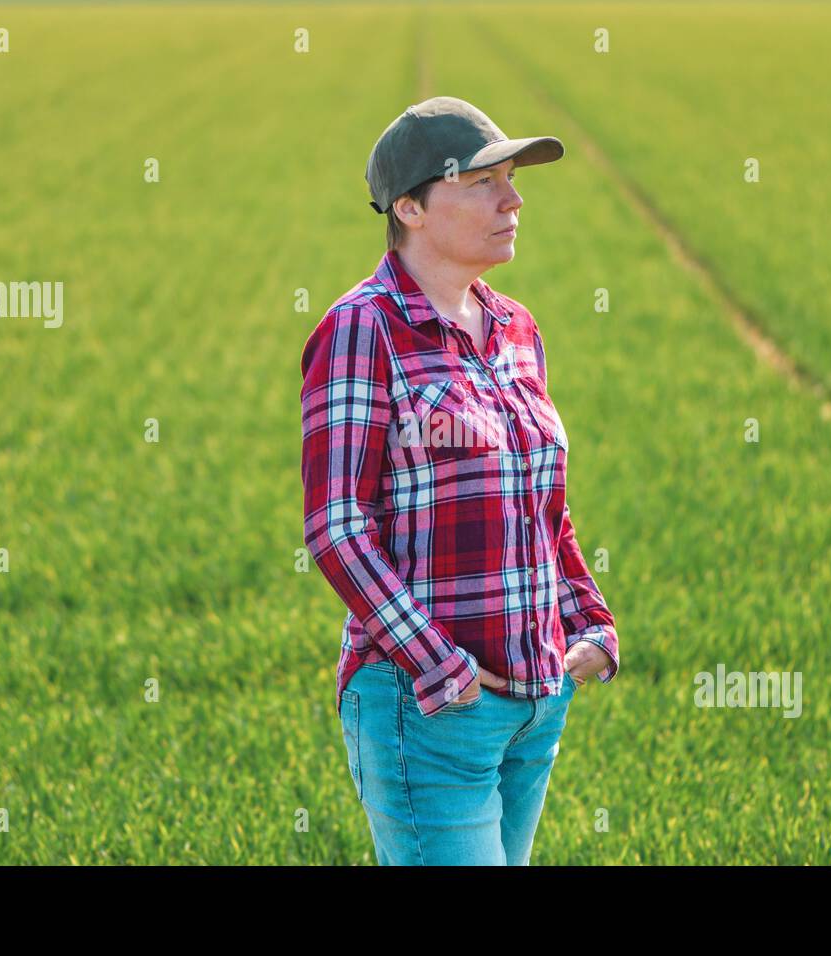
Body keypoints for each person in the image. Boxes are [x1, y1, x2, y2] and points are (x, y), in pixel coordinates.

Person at [299, 96, 620, 865]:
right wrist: (441, 666)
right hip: (429, 709)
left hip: (534, 706)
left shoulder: (515, 328)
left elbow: (545, 507)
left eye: (511, 179)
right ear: (409, 207)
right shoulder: (361, 330)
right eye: (482, 183)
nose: (512, 200)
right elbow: (338, 527)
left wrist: (590, 625)